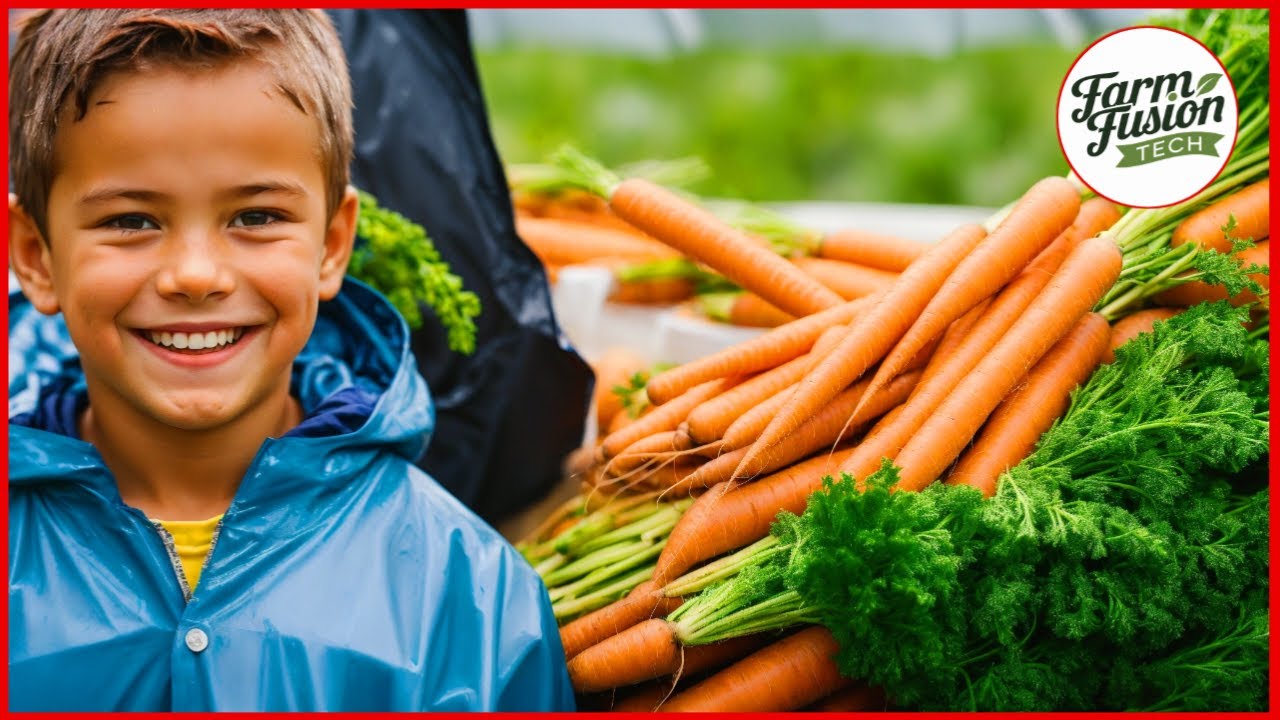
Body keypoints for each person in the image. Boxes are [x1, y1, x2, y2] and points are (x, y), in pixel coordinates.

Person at [6, 9, 574, 711]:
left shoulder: (468, 593)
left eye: (255, 217)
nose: (196, 274)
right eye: (132, 221)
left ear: (333, 245)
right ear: (35, 256)